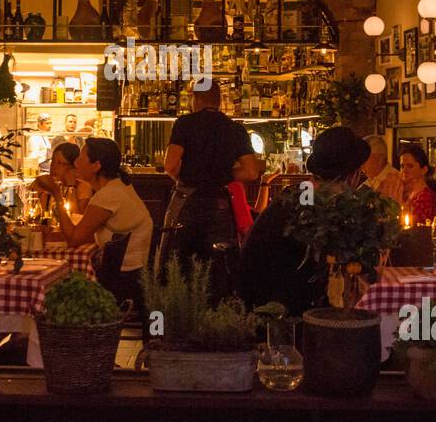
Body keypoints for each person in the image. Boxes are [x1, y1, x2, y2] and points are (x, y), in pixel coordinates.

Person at [240, 127, 371, 316]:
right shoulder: (311, 208)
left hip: (262, 306)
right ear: (351, 176)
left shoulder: (302, 194)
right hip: (276, 318)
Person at [156, 80, 262, 300]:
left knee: (177, 261)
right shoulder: (235, 128)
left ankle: (176, 314)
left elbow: (170, 165)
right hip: (220, 205)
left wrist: (186, 177)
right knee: (219, 264)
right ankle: (217, 310)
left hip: (187, 200)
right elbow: (251, 172)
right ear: (220, 101)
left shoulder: (184, 124)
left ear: (195, 98)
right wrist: (223, 173)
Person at [45, 137, 153, 313]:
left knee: (60, 289)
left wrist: (56, 195)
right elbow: (86, 233)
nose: (76, 162)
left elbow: (74, 239)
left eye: (81, 156)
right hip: (133, 273)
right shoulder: (117, 187)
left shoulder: (108, 195)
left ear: (96, 166)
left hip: (123, 280)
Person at [33, 141, 93, 214]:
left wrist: (71, 186)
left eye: (59, 163)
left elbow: (76, 217)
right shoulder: (43, 182)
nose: (53, 167)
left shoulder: (83, 187)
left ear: (73, 167)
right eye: (53, 162)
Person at [399, 144, 436, 224]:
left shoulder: (425, 198)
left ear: (424, 170)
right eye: (402, 166)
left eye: (410, 166)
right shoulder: (407, 193)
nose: (404, 170)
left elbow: (421, 230)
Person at [361, 134, 402, 201]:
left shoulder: (397, 183)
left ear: (379, 159)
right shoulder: (368, 182)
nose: (361, 165)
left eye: (364, 159)